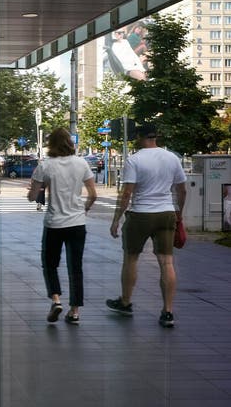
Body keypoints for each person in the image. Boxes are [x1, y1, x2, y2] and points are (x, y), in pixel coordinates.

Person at [107, 122, 187, 327]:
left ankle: (125, 302)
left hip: (141, 214)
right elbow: (182, 190)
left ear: (140, 137)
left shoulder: (134, 160)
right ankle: (168, 312)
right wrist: (179, 214)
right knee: (167, 262)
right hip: (166, 213)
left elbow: (127, 193)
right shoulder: (172, 158)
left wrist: (116, 219)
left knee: (131, 259)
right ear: (156, 136)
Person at [28, 128, 96, 325]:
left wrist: (35, 190)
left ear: (51, 144)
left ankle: (56, 299)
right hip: (77, 223)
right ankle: (74, 311)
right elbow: (93, 194)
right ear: (69, 142)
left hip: (54, 223)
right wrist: (85, 209)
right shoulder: (82, 163)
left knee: (49, 263)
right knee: (76, 266)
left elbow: (33, 197)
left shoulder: (45, 165)